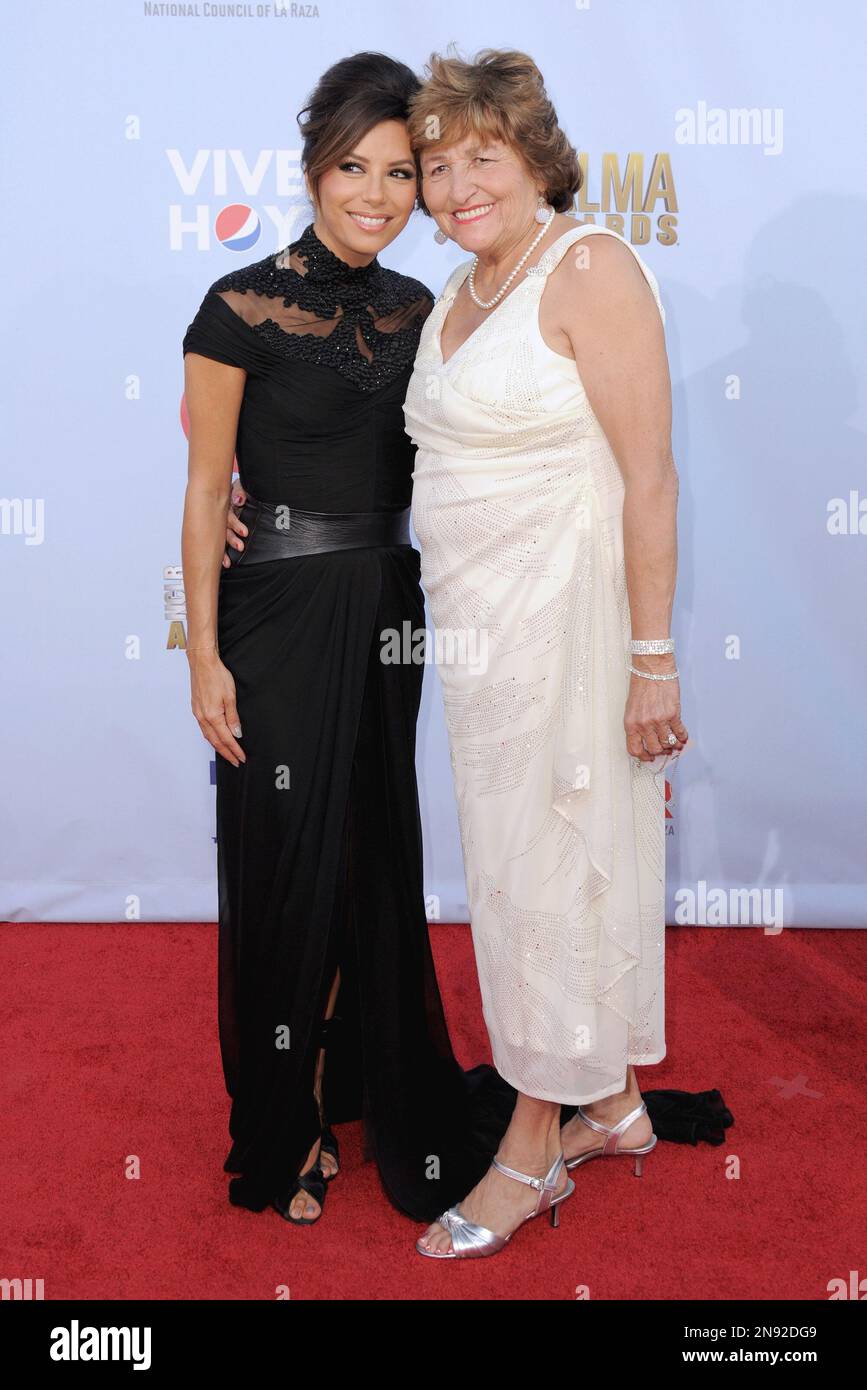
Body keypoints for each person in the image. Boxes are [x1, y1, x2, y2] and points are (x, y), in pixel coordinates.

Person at [181, 52, 516, 1227]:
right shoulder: (235, 305)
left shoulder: (423, 312)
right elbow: (202, 490)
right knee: (283, 868)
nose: (375, 196)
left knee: (368, 854)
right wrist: (202, 655)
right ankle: (287, 1118)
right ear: (315, 166)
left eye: (397, 174)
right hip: (273, 617)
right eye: (353, 169)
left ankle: (356, 1078)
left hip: (386, 612)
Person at [399, 47, 688, 1259]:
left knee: (556, 873)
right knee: (516, 873)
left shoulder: (592, 266)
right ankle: (613, 1106)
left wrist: (654, 658)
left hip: (570, 630)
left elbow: (650, 476)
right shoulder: (460, 288)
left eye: (483, 156)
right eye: (436, 165)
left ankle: (530, 1147)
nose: (459, 185)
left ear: (534, 155)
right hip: (480, 645)